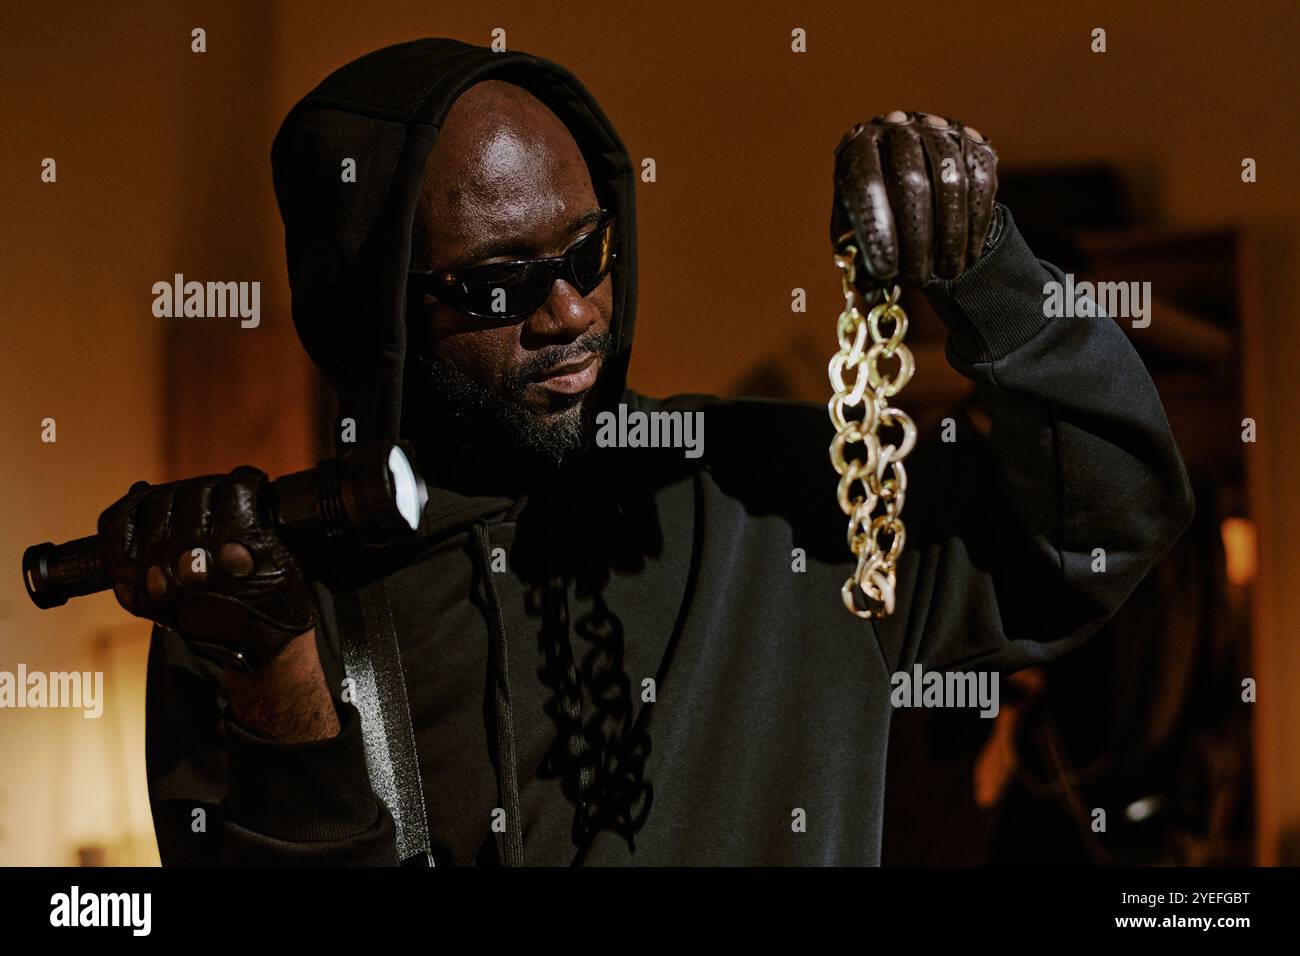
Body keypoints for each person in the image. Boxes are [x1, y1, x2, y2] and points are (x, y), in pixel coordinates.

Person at [100, 38, 1194, 865]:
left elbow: (1103, 529)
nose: (572, 310)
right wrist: (277, 690)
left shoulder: (785, 494)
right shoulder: (267, 606)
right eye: (500, 284)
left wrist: (986, 270)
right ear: (369, 315)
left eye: (589, 250)